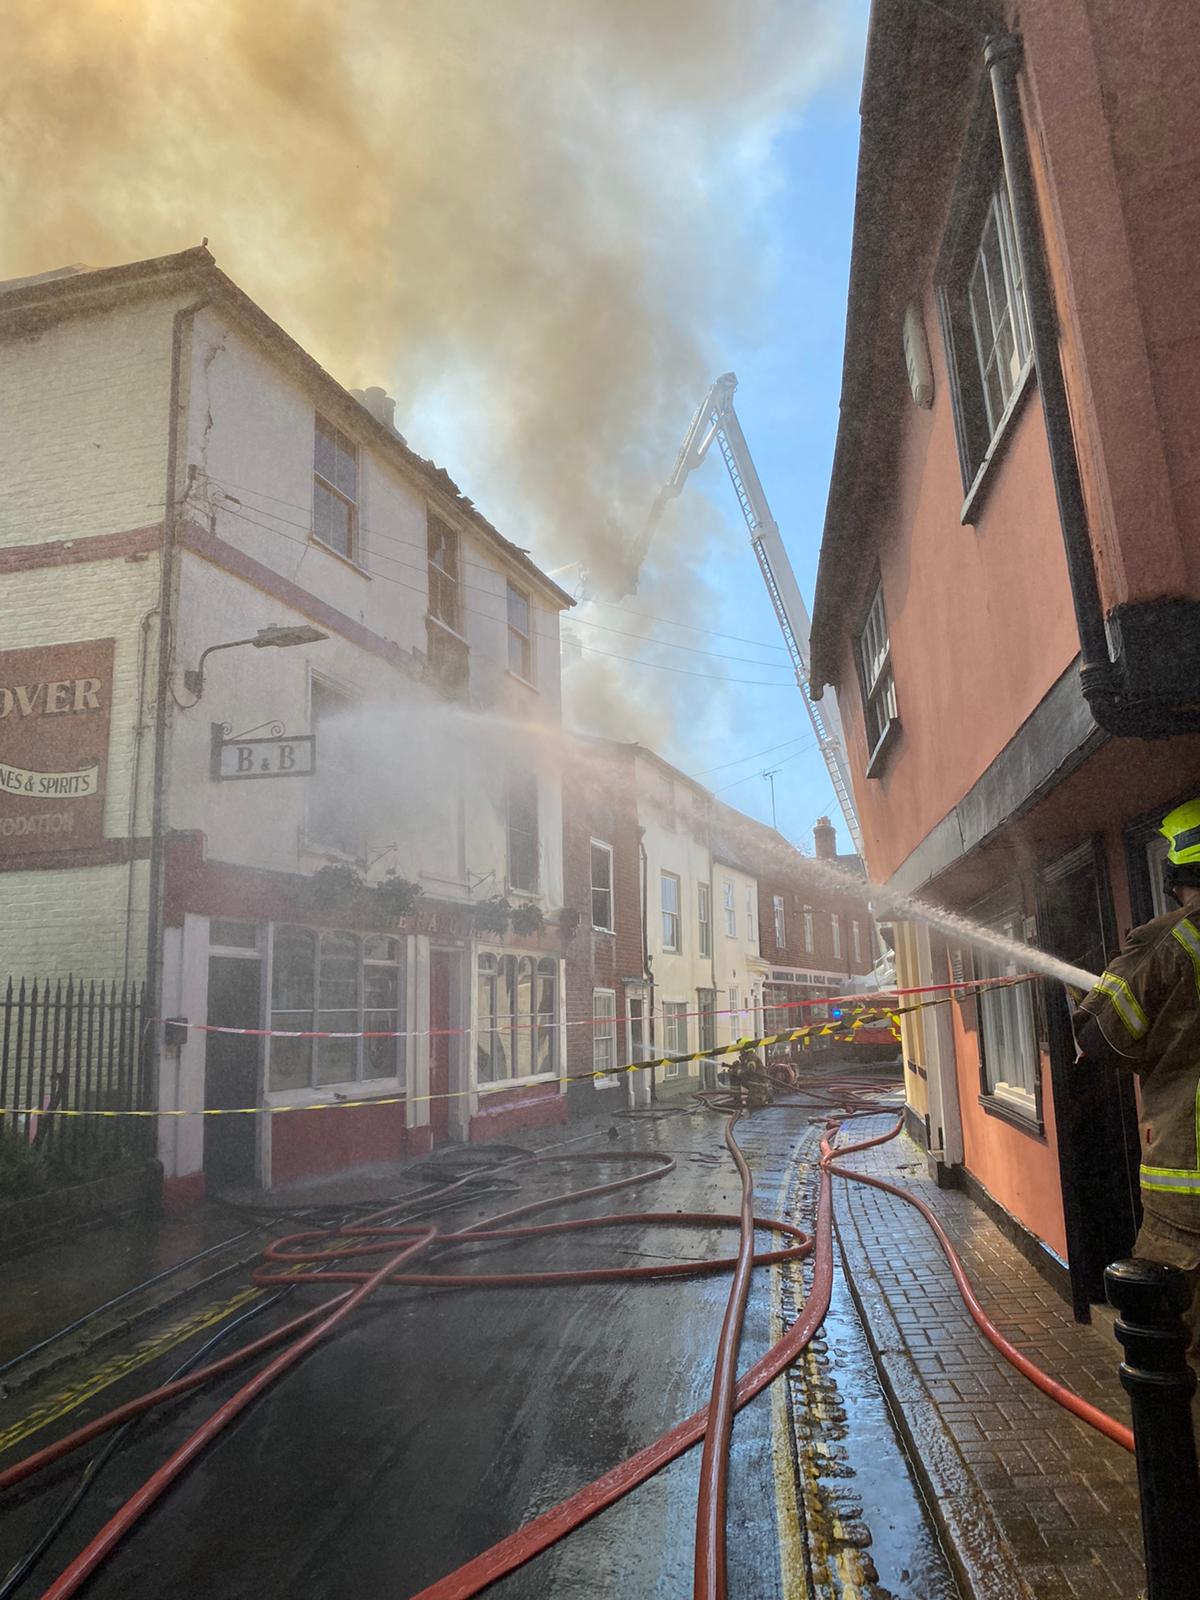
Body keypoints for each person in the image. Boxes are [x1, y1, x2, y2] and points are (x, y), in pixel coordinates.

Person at [1073, 799, 1200, 1365]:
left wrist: (1093, 997)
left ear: (1175, 878)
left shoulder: (1169, 939)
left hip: (1189, 1184)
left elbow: (1104, 1038)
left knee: (1169, 1346)